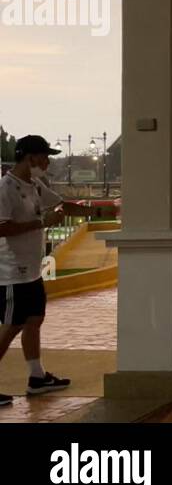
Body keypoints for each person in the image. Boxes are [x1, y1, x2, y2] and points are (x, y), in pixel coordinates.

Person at [0, 135, 110, 406]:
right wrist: (40, 222)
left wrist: (102, 212)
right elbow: (2, 227)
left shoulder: (34, 184)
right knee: (11, 326)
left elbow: (62, 206)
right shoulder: (5, 187)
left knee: (34, 320)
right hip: (12, 271)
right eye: (44, 156)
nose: (48, 161)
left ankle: (37, 378)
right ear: (30, 157)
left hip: (33, 271)